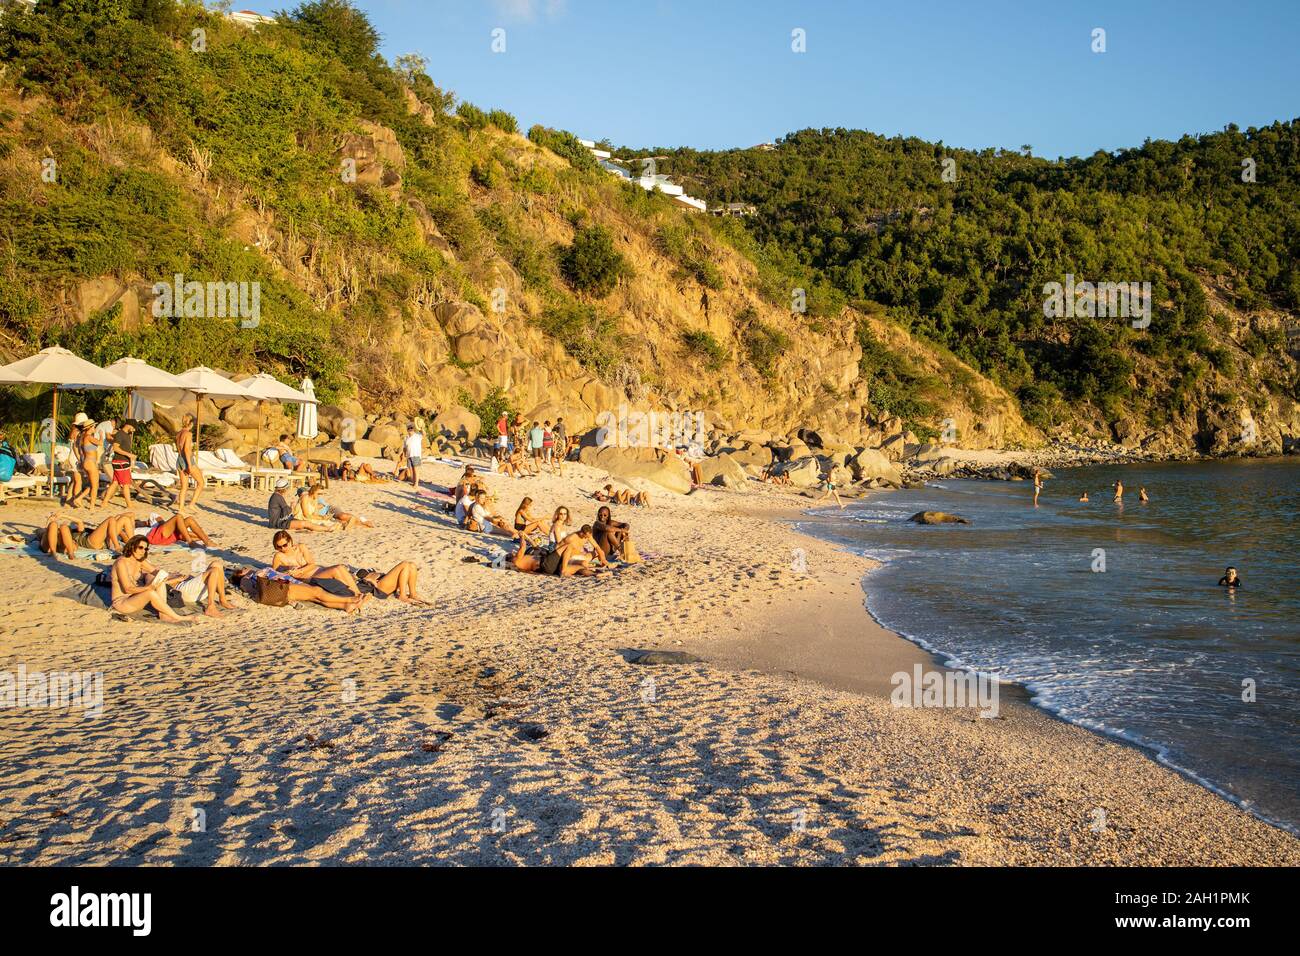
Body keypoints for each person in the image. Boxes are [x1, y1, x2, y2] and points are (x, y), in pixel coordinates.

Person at [109, 535, 189, 624]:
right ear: (132, 546)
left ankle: (163, 615)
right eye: (140, 548)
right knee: (150, 593)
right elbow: (127, 588)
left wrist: (172, 576)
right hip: (122, 602)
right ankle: (178, 617)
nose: (143, 551)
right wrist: (148, 588)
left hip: (135, 597)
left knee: (156, 578)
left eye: (145, 549)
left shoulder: (139, 560)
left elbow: (155, 571)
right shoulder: (121, 563)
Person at [231, 566, 369, 613]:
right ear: (241, 574)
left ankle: (346, 605)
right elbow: (251, 590)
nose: (246, 568)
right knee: (317, 593)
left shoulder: (260, 571)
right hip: (283, 588)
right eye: (243, 570)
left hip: (291, 582)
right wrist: (255, 578)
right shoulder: (247, 579)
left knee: (315, 596)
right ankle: (350, 599)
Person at [270, 530, 359, 594]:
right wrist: (288, 571)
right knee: (336, 570)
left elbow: (312, 564)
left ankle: (356, 593)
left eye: (285, 545)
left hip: (318, 571)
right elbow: (273, 574)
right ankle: (356, 594)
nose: (283, 549)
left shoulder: (301, 547)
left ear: (290, 541)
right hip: (309, 579)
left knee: (340, 567)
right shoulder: (279, 556)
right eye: (279, 547)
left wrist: (299, 570)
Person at [509, 526, 604, 576]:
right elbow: (522, 546)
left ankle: (594, 574)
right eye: (512, 553)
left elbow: (533, 547)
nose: (514, 553)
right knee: (569, 546)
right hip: (545, 563)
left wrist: (526, 537)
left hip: (547, 569)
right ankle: (563, 570)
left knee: (578, 568)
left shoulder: (520, 565)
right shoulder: (516, 559)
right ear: (511, 557)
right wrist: (521, 536)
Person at [37, 511, 136, 556]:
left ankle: (134, 543)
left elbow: (79, 521)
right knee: (111, 519)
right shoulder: (71, 533)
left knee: (124, 519)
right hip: (91, 541)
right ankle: (117, 546)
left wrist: (63, 515)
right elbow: (50, 531)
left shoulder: (76, 529)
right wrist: (52, 520)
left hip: (103, 539)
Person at [170, 556, 236, 618]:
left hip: (194, 592)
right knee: (214, 570)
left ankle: (223, 599)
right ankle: (211, 606)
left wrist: (188, 578)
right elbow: (161, 584)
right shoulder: (163, 574)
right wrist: (176, 579)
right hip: (182, 590)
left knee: (217, 564)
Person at [297, 483, 373, 530]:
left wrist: (320, 514)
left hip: (329, 509)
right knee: (341, 522)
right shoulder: (306, 498)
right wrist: (322, 517)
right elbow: (312, 513)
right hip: (324, 516)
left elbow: (322, 506)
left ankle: (362, 520)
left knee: (342, 516)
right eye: (319, 494)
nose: (320, 496)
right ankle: (363, 524)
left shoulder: (316, 498)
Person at [357, 561, 426, 604]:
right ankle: (402, 595)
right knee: (404, 564)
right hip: (381, 588)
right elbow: (359, 585)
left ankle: (413, 594)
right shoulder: (365, 578)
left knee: (412, 565)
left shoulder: (372, 573)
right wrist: (370, 580)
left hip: (385, 585)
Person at [101, 423, 136, 508]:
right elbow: (115, 448)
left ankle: (104, 502)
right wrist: (128, 455)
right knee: (126, 484)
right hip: (120, 461)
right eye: (133, 427)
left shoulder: (126, 435)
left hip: (122, 461)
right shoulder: (120, 434)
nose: (134, 429)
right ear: (128, 425)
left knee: (115, 483)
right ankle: (129, 504)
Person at [175, 412, 205, 510]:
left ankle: (181, 509)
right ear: (191, 423)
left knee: (184, 487)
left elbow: (180, 449)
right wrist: (189, 465)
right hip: (186, 460)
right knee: (201, 483)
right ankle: (192, 504)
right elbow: (187, 450)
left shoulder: (178, 434)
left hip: (179, 460)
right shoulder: (188, 434)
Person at [142, 512, 214, 549]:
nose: (139, 523)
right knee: (178, 516)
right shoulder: (145, 529)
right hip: (157, 535)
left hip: (168, 534)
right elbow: (163, 524)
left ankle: (207, 541)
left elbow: (162, 523)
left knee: (190, 519)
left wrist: (172, 525)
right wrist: (173, 524)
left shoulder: (152, 516)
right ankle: (190, 542)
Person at [403, 424, 423, 489]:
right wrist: (404, 454)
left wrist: (422, 428)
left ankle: (416, 484)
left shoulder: (417, 436)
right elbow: (404, 447)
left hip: (416, 455)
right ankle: (414, 482)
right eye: (409, 428)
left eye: (411, 428)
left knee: (416, 469)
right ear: (407, 430)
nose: (410, 429)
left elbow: (424, 434)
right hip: (409, 455)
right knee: (411, 469)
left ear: (413, 429)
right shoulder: (406, 438)